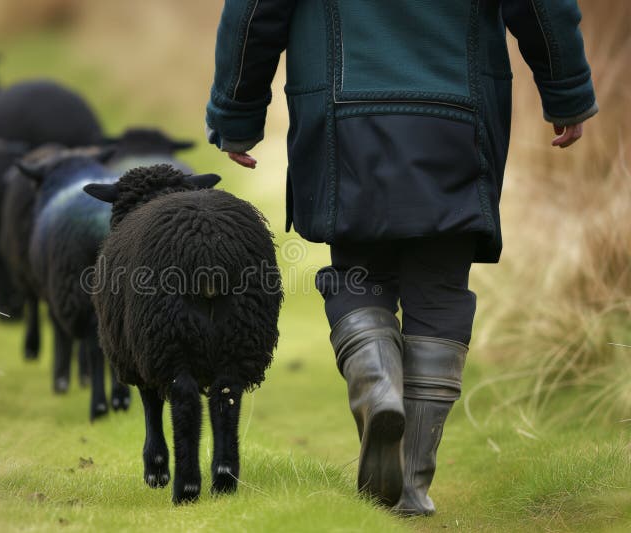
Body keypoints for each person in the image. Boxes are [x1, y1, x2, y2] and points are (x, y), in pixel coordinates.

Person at [205, 0, 597, 516]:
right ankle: (410, 485)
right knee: (440, 288)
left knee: (357, 271)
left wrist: (237, 110)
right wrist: (565, 92)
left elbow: (255, 11)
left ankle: (376, 380)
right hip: (458, 117)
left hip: (342, 118)